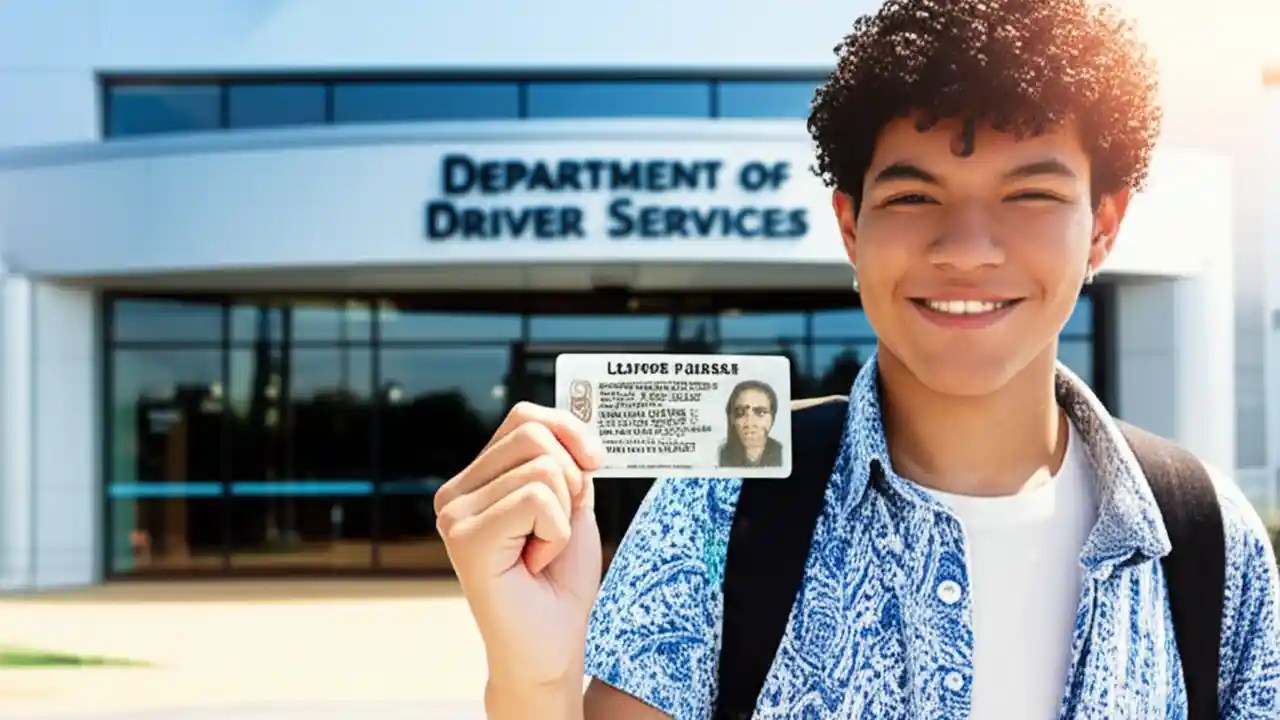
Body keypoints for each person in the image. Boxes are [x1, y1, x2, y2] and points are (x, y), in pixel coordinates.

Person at [433, 0, 1280, 717]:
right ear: (850, 227)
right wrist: (534, 682)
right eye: (914, 195)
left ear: (1103, 227)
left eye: (1031, 193)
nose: (967, 248)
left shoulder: (1210, 540)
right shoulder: (715, 508)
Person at [718, 380, 784, 468]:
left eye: (760, 413)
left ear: (773, 417)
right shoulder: (718, 455)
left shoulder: (784, 454)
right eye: (740, 413)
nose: (749, 423)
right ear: (731, 418)